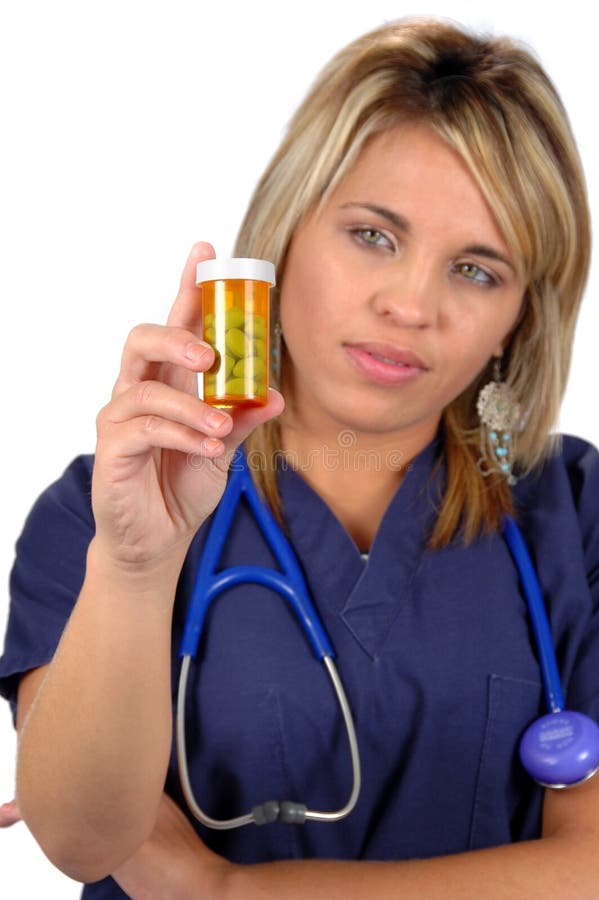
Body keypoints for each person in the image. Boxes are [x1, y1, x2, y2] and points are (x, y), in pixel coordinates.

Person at [1, 15, 598, 899]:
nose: (410, 305)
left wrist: (224, 891)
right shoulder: (110, 508)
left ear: (518, 321)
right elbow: (83, 841)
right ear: (284, 236)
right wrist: (135, 566)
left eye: (475, 270)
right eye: (373, 235)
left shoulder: (574, 511)